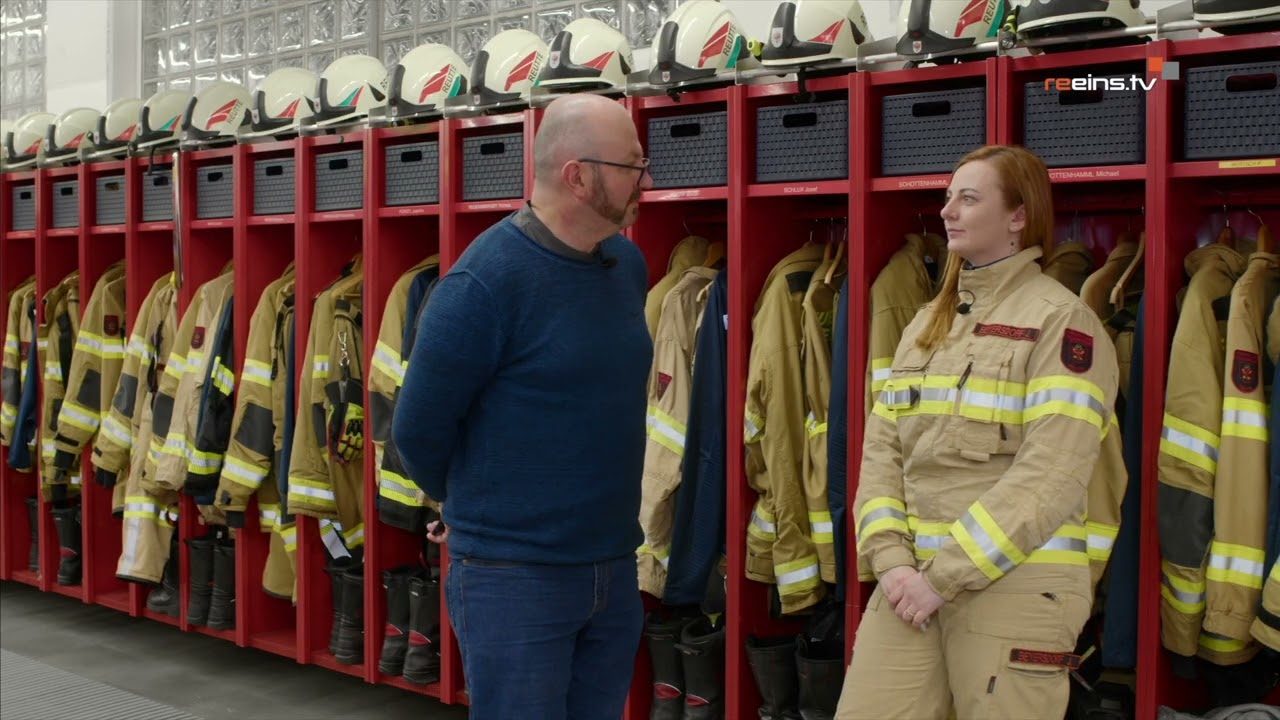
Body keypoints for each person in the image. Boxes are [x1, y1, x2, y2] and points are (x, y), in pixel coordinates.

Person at [391, 93, 655, 720]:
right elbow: (417, 430)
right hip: (515, 580)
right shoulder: (482, 284)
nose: (648, 180)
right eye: (632, 165)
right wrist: (480, 516)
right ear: (578, 176)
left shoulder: (627, 265)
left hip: (614, 568)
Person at [835, 145, 1119, 720]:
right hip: (910, 587)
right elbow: (882, 452)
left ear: (1018, 216)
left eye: (968, 198)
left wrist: (942, 577)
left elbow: (1052, 475)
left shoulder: (1063, 321)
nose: (947, 211)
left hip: (1016, 588)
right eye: (946, 198)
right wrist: (891, 563)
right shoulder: (926, 323)